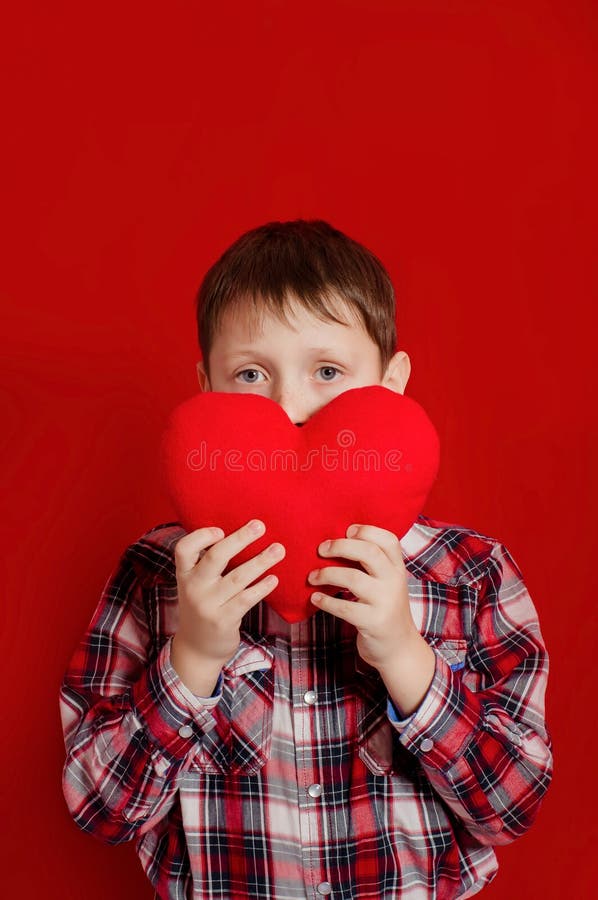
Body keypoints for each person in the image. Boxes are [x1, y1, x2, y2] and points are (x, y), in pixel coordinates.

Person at [59, 219, 553, 900]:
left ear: (391, 382)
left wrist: (407, 655)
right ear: (206, 388)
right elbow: (100, 807)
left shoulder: (470, 572)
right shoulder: (154, 576)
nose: (289, 406)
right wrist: (192, 659)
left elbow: (512, 805)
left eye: (327, 371)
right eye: (251, 373)